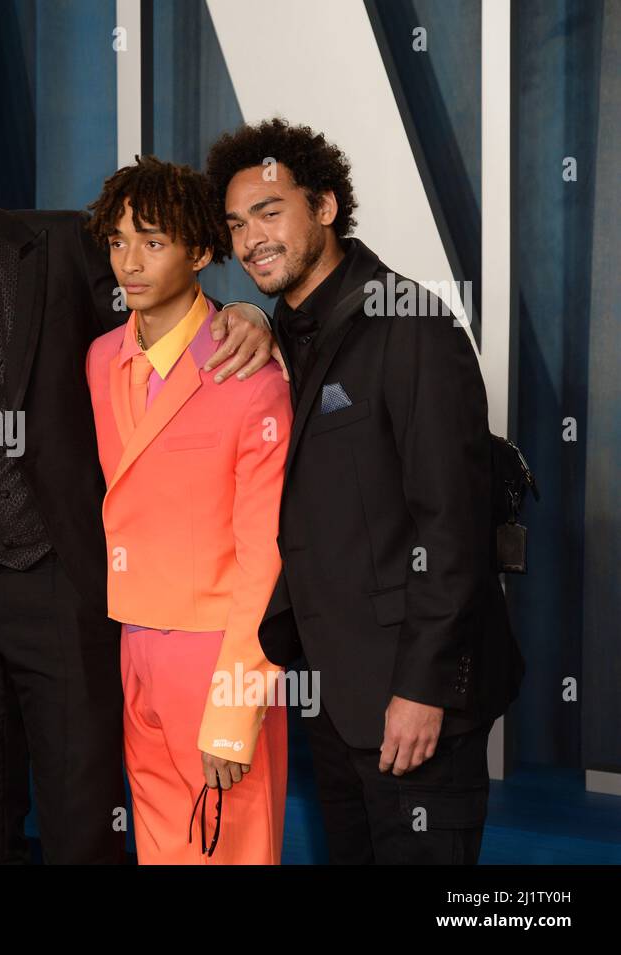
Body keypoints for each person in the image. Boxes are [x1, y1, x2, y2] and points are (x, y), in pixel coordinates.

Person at [0, 91, 279, 863]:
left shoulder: (66, 245)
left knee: (83, 818)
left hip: (65, 585)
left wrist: (249, 316)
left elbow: (161, 309)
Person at [206, 118, 524, 864]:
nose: (251, 238)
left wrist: (424, 690)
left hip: (414, 702)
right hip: (333, 697)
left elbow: (452, 529)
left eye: (270, 211)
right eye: (236, 223)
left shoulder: (411, 326)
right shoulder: (275, 335)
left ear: (324, 207)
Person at [85, 156, 290, 864]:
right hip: (133, 638)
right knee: (159, 844)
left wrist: (236, 705)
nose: (129, 261)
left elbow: (265, 554)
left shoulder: (250, 375)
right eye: (117, 241)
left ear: (201, 251)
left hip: (217, 652)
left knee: (229, 847)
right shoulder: (100, 357)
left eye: (152, 240)